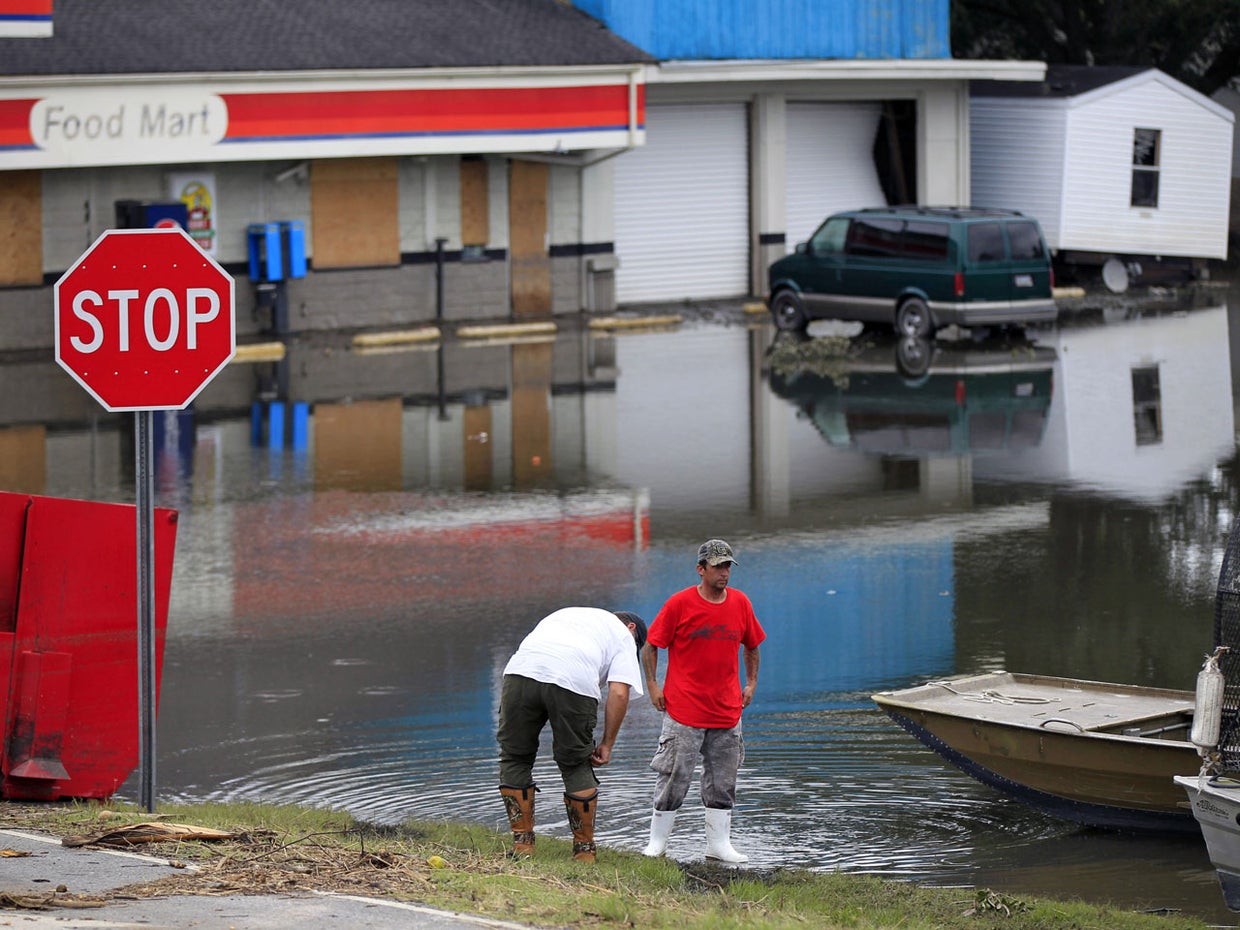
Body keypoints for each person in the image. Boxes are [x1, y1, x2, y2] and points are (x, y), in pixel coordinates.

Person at [640, 539, 765, 863]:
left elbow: (752, 644)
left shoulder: (740, 603)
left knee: (724, 779)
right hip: (684, 709)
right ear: (701, 569)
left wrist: (751, 683)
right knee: (674, 775)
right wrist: (653, 685)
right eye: (718, 566)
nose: (724, 572)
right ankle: (657, 844)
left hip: (727, 709)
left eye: (728, 566)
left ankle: (718, 845)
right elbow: (651, 644)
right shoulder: (679, 603)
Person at [496, 607, 646, 863]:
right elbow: (619, 693)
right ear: (632, 629)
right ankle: (584, 852)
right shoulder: (623, 635)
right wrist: (608, 743)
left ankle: (523, 845)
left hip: (520, 672)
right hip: (572, 680)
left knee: (515, 758)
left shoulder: (566, 615)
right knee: (576, 764)